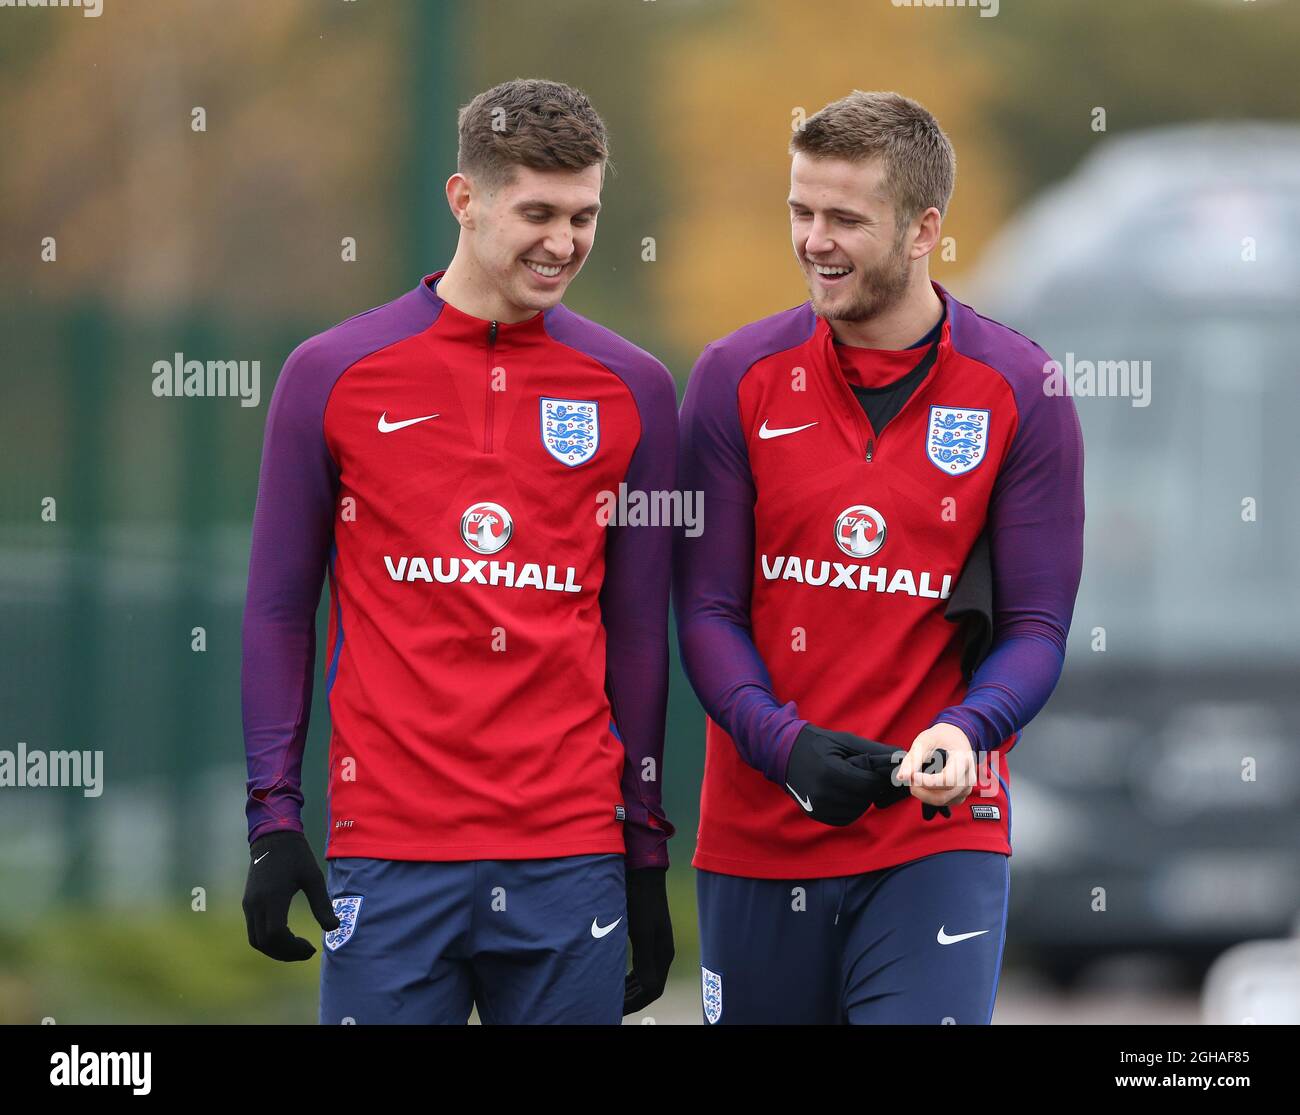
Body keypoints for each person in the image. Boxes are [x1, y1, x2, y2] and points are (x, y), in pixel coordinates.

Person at [240, 78, 676, 1025]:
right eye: (538, 213)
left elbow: (639, 632)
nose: (563, 243)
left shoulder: (634, 388)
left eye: (584, 215)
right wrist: (273, 821)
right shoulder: (331, 374)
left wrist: (646, 852)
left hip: (568, 856)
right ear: (463, 198)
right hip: (390, 854)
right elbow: (279, 608)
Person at [675, 90, 1084, 1024]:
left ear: (922, 229)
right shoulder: (733, 378)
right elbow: (705, 612)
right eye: (801, 211)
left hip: (937, 834)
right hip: (759, 835)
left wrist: (969, 727)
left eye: (845, 219)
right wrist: (783, 747)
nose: (815, 240)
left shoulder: (1022, 389)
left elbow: (1036, 627)